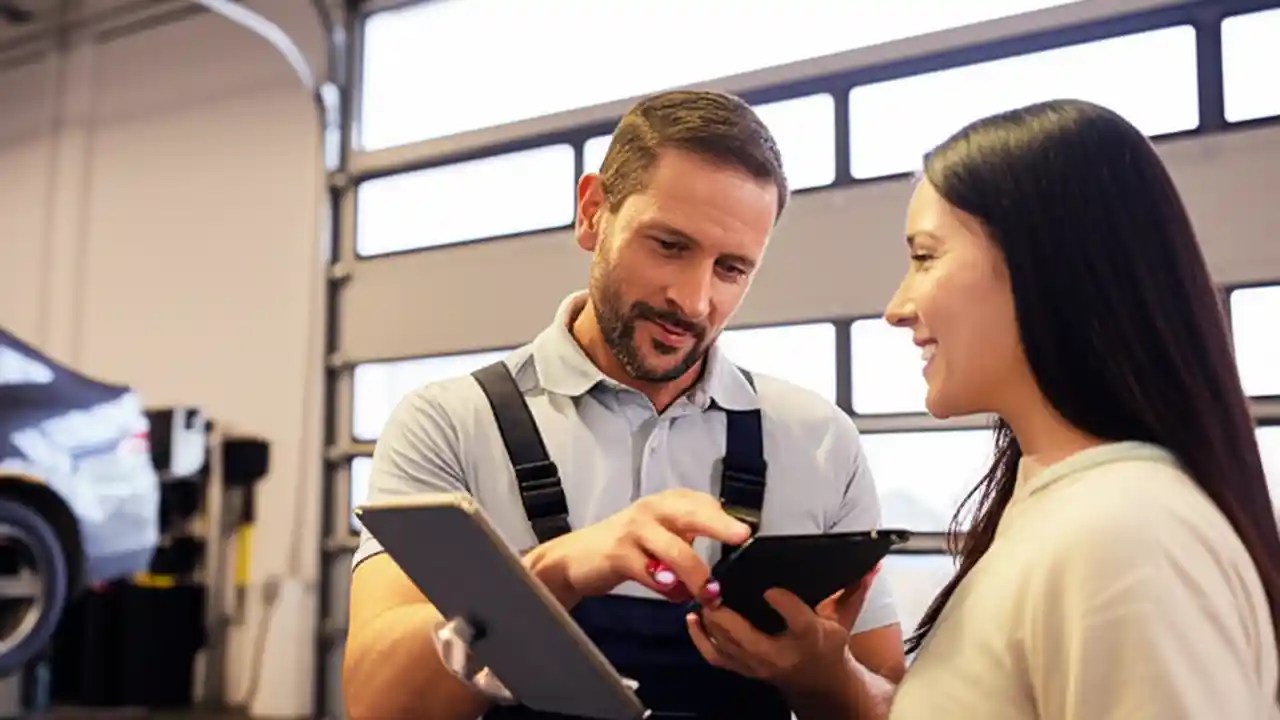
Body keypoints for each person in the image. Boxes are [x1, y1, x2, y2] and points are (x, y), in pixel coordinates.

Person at [694, 97, 1280, 718]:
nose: (897, 306)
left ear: (1043, 264)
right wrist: (824, 679)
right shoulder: (1066, 510)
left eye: (924, 257)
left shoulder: (1122, 537)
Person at [342, 89, 906, 720]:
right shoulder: (450, 424)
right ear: (592, 213)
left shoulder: (820, 440)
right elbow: (375, 703)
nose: (692, 301)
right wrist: (553, 573)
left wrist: (827, 678)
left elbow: (894, 703)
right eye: (669, 245)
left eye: (731, 269)